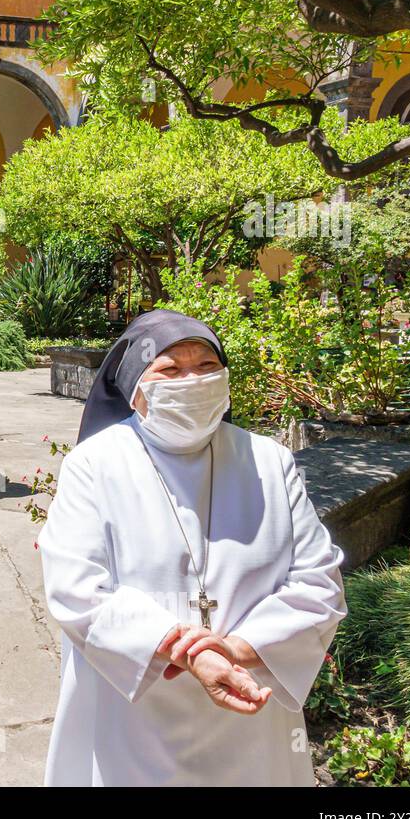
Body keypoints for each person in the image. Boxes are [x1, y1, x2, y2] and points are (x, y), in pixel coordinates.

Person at [37, 309, 346, 786]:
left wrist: (236, 649)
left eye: (206, 366)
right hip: (134, 711)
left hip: (250, 703)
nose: (192, 381)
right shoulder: (93, 465)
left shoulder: (271, 462)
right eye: (170, 369)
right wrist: (190, 654)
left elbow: (319, 584)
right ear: (136, 389)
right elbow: (77, 591)